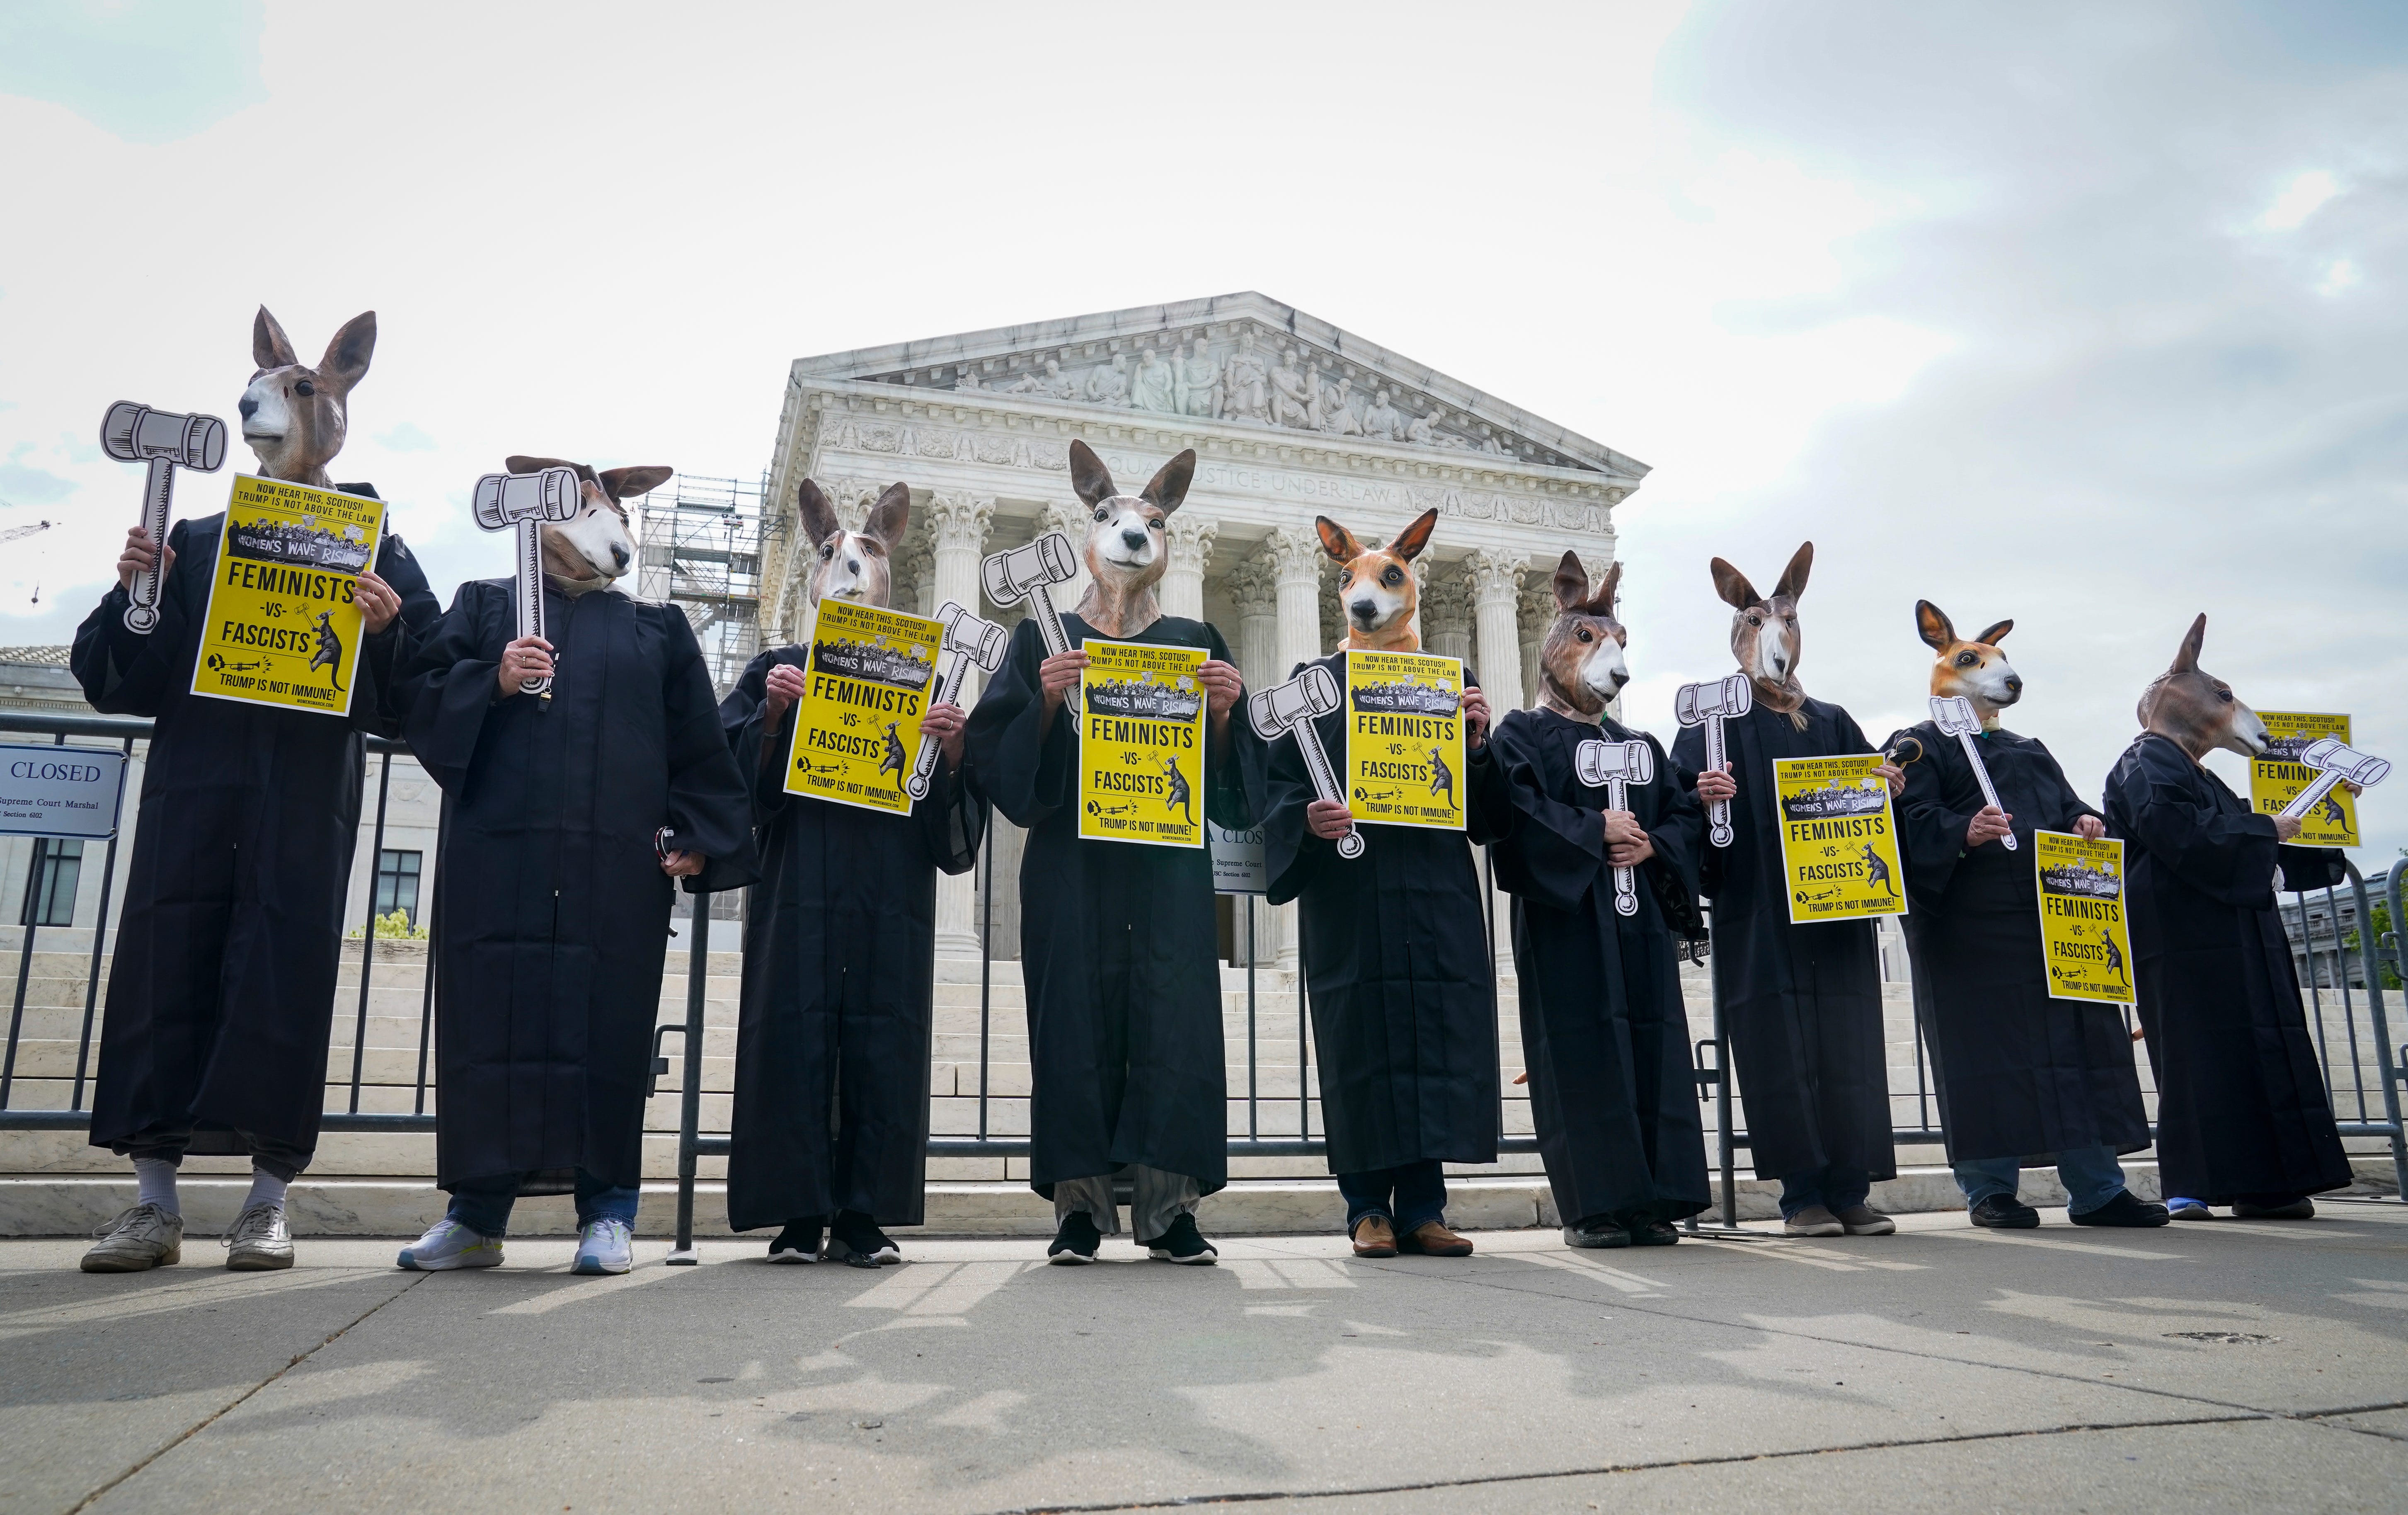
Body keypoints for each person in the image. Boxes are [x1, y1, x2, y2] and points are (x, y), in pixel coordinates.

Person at [391, 458, 755, 1275]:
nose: (609, 531)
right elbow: (418, 694)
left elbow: (697, 746)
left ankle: (610, 1212)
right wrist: (492, 680)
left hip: (612, 877)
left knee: (609, 1034)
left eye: (616, 515)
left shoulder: (656, 630)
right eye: (589, 511)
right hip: (498, 867)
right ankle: (476, 1216)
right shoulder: (487, 606)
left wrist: (698, 833)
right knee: (490, 1029)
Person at [964, 442, 1252, 1266]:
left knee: (1176, 1027)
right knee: (1072, 1027)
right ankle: (1079, 1209)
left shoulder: (1196, 640)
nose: (1131, 534)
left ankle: (1170, 1210)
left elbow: (1229, 784)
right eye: (1115, 520)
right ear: (1088, 532)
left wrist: (1226, 714)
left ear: (1166, 540)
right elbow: (1006, 771)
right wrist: (1048, 699)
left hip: (1167, 872)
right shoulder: (1041, 642)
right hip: (1073, 871)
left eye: (1151, 523)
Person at [715, 558, 982, 1267]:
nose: (852, 576)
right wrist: (772, 714)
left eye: (868, 569)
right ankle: (797, 1215)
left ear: (890, 588)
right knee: (789, 1034)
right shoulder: (777, 669)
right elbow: (730, 785)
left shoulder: (920, 674)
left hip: (889, 888)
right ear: (811, 584)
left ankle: (864, 1215)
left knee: (883, 1039)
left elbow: (950, 820)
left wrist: (952, 747)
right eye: (834, 566)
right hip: (798, 880)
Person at [1253, 514, 1502, 1259]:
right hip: (1351, 892)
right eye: (1354, 582)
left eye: (1386, 578)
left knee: (1431, 1035)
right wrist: (1306, 818)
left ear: (1409, 589)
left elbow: (1489, 814)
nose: (1368, 597)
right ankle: (1366, 1208)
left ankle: (1424, 1208)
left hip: (1431, 890)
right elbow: (1278, 784)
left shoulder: (1450, 684)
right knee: (1359, 1041)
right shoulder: (1312, 686)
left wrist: (1479, 745)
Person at [1888, 603, 2162, 1229]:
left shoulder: (2027, 748)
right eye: (1983, 664)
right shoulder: (1917, 746)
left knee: (2082, 1049)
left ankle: (2097, 1190)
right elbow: (1902, 822)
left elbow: (2067, 806)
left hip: (2054, 927)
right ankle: (1989, 1190)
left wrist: (2084, 821)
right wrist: (1964, 830)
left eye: (2003, 664)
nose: (2002, 676)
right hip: (1970, 936)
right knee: (1984, 1056)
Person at [1670, 544, 1901, 1238]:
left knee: (1847, 1048)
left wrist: (1884, 785)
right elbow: (1675, 810)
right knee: (1780, 1052)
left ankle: (1850, 1189)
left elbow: (1869, 809)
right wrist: (1700, 795)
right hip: (1760, 911)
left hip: (1835, 916)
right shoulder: (1712, 722)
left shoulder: (1830, 720)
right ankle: (1800, 1195)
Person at [1487, 555, 1713, 1248]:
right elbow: (1512, 812)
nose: (1611, 661)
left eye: (1618, 646)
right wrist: (1593, 829)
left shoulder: (1639, 744)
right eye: (1591, 642)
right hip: (1568, 925)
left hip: (1637, 923)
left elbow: (1680, 818)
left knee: (1653, 1045)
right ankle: (1594, 1207)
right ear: (1556, 647)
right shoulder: (1520, 735)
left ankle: (1656, 1200)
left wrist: (1652, 845)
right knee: (1580, 1052)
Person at [2103, 615, 2352, 1221]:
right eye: (2221, 695)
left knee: (2258, 1050)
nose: (2237, 712)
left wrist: (2324, 815)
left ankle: (2266, 1183)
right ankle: (2190, 1183)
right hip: (2182, 943)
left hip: (2240, 940)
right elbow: (2182, 835)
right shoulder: (2144, 765)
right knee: (2195, 1057)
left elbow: (2251, 842)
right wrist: (2266, 828)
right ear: (2176, 696)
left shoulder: (2200, 777)